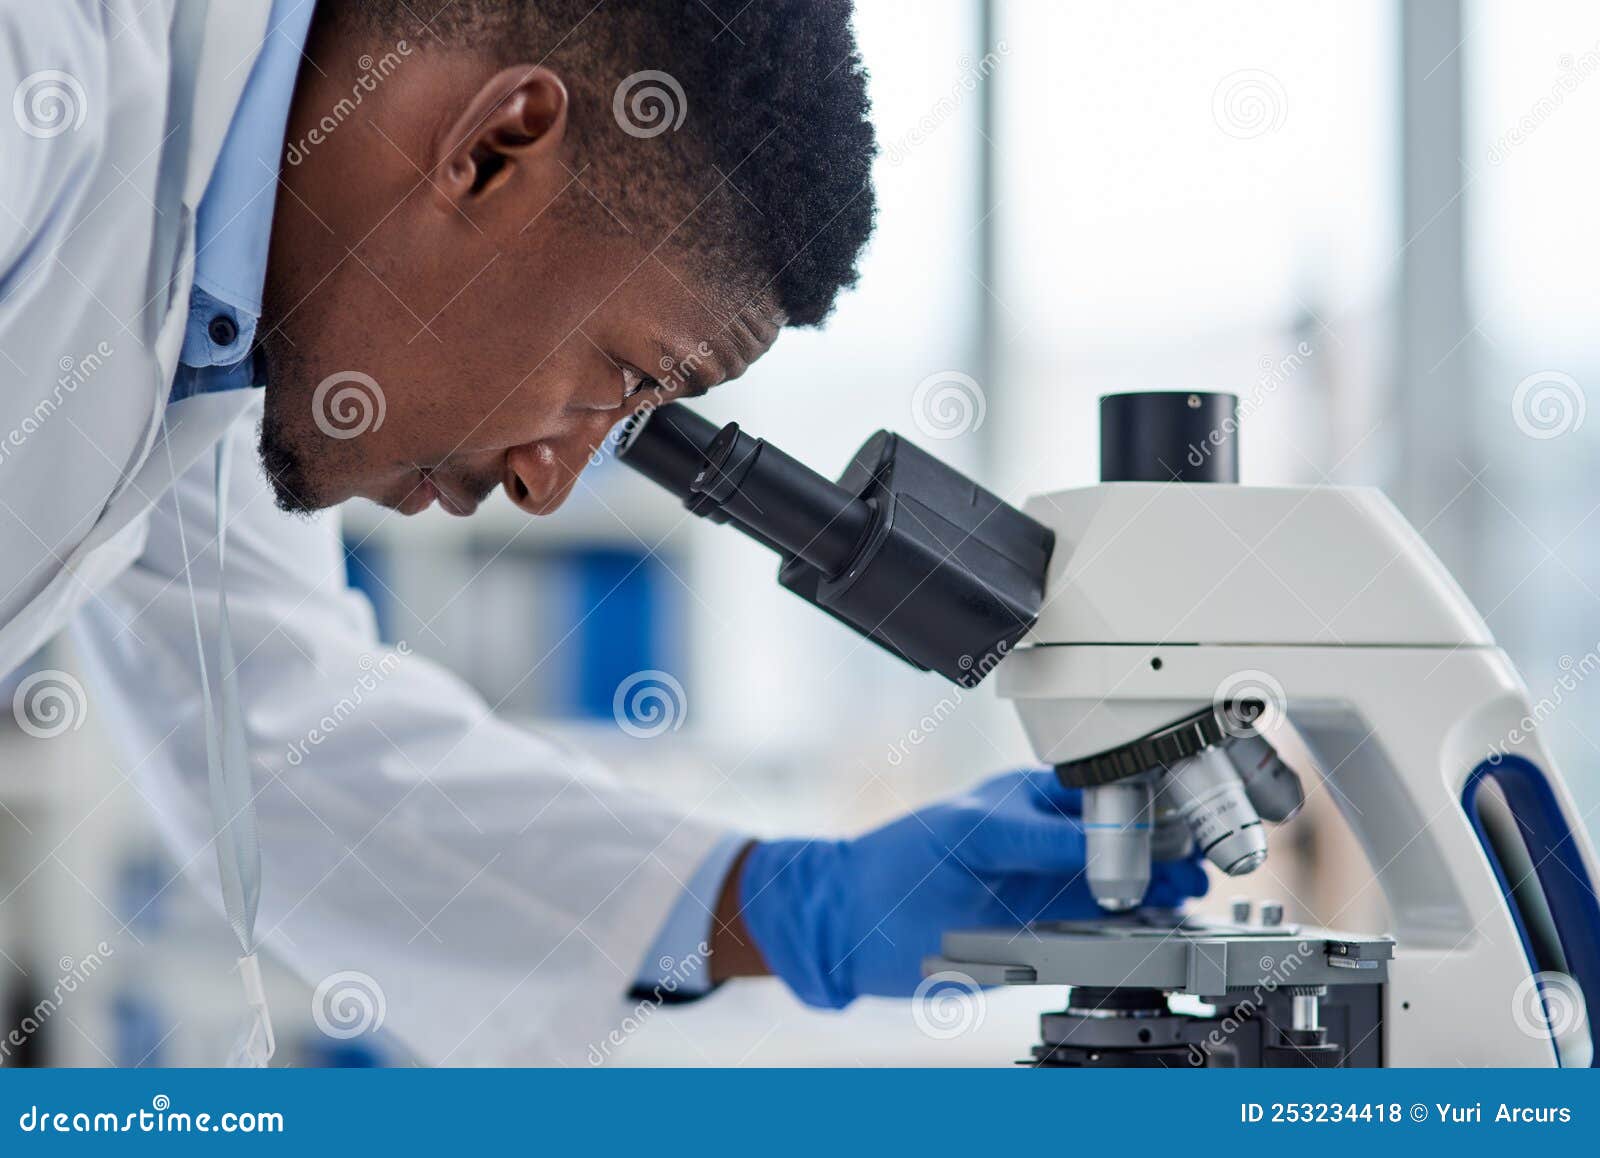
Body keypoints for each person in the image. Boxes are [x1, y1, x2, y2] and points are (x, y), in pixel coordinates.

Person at [0, 0, 1207, 1064]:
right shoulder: (42, 76)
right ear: (494, 149)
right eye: (618, 380)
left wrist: (786, 905)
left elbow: (287, 740)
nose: (546, 484)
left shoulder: (220, 332)